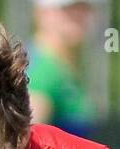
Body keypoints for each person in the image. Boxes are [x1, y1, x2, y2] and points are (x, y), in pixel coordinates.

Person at [28, 0, 97, 135]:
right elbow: (26, 143)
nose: (78, 17)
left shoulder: (62, 66)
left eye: (84, 8)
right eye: (68, 9)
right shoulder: (41, 70)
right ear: (42, 13)